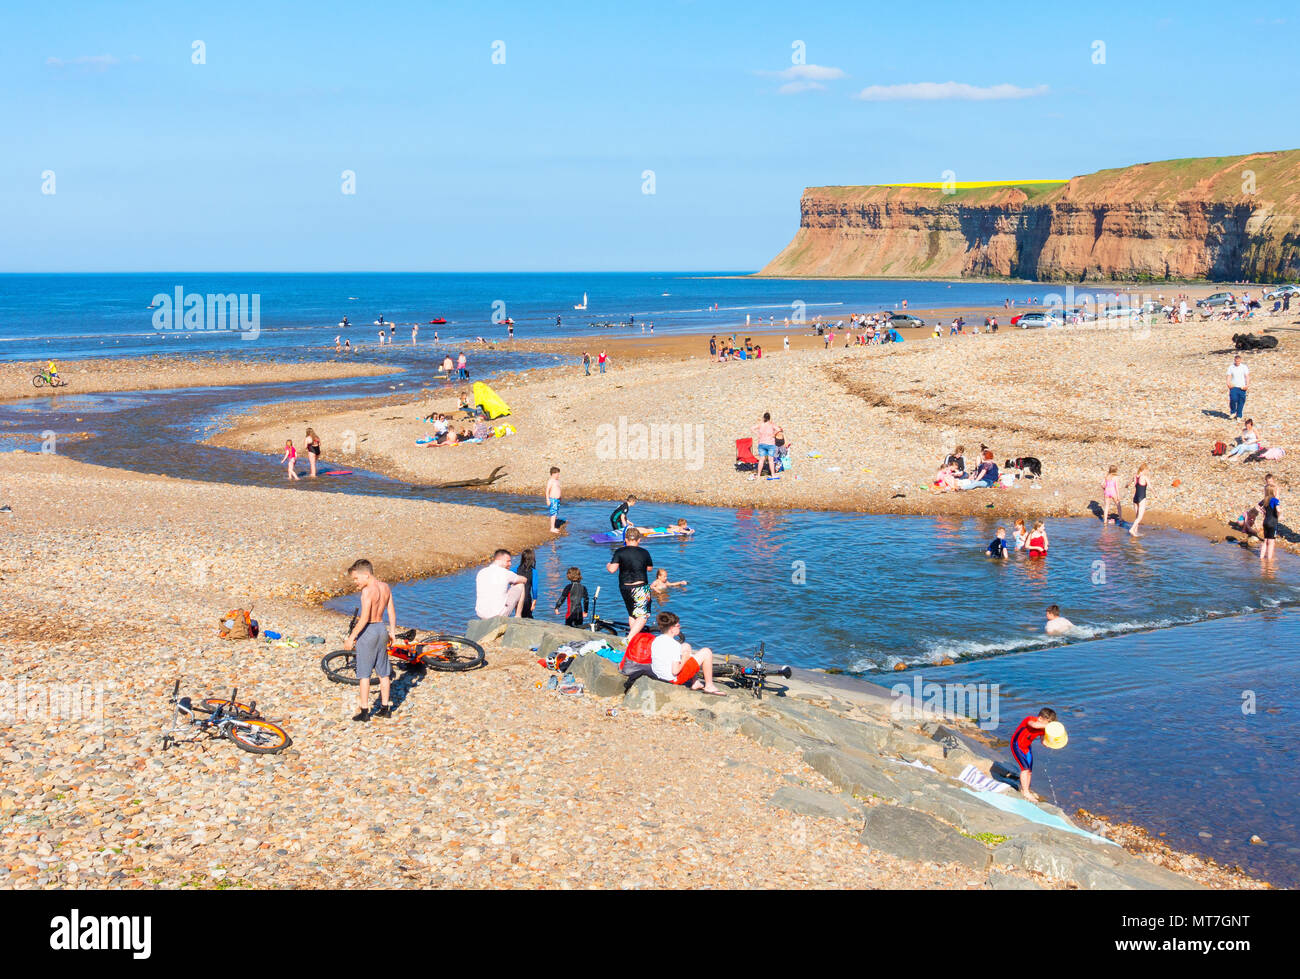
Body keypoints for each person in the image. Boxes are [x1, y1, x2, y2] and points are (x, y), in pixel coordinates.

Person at [343, 559, 396, 721]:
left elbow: (365, 617)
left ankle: (365, 711)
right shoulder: (385, 587)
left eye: (356, 578)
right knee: (383, 672)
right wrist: (392, 632)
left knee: (364, 673)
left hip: (369, 631)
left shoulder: (367, 591)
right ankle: (385, 708)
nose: (355, 582)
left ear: (366, 575)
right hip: (381, 628)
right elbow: (391, 610)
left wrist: (351, 637)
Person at [649, 611, 724, 695]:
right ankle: (709, 686)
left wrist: (685, 655)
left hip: (658, 675)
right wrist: (685, 658)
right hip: (673, 679)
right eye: (678, 625)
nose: (680, 627)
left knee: (685, 646)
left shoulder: (656, 640)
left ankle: (695, 682)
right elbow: (675, 671)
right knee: (706, 652)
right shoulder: (674, 645)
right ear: (672, 629)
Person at [606, 527, 653, 640]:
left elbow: (612, 569)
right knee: (643, 615)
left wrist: (608, 564)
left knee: (633, 614)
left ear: (626, 539)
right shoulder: (644, 552)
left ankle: (634, 640)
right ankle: (630, 638)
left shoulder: (619, 551)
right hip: (640, 587)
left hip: (624, 587)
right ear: (639, 540)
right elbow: (650, 568)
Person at [1010, 708, 1057, 801]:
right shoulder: (1030, 719)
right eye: (1048, 722)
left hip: (1027, 748)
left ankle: (1026, 789)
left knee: (1029, 770)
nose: (1048, 725)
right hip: (1017, 745)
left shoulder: (1043, 729)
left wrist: (1050, 743)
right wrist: (1046, 726)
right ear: (1040, 718)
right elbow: (1034, 725)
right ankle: (1025, 792)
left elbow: (1043, 740)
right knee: (1025, 769)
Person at [474, 549, 527, 619]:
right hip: (498, 614)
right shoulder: (505, 573)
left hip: (480, 613)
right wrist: (513, 582)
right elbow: (524, 580)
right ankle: (518, 616)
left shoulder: (481, 572)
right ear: (499, 560)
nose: (510, 564)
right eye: (508, 561)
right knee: (520, 584)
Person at [753, 412, 783, 480]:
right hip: (770, 443)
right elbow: (779, 429)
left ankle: (758, 475)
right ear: (769, 418)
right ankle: (773, 475)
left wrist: (757, 434)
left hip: (762, 443)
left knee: (761, 459)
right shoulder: (771, 424)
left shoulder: (761, 424)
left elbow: (752, 428)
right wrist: (773, 434)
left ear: (764, 418)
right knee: (770, 460)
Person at [515, 549, 537, 618]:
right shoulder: (533, 572)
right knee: (528, 617)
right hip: (527, 599)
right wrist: (535, 600)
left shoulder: (515, 569)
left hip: (517, 599)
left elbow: (508, 578)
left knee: (519, 616)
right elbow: (535, 588)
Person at [1130, 463, 1150, 537]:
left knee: (1137, 516)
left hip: (1135, 498)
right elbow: (1150, 486)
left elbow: (1129, 483)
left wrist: (1126, 485)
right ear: (1144, 470)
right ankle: (1132, 529)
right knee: (1140, 517)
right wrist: (1155, 494)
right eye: (1147, 470)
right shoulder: (1144, 477)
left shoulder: (1135, 476)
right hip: (1141, 498)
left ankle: (1135, 532)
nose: (1147, 472)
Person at [1227, 354, 1250, 420]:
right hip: (1234, 386)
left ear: (1240, 361)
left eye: (1239, 361)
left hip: (1242, 387)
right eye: (1236, 361)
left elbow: (1247, 376)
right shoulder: (1231, 367)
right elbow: (1229, 376)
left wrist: (1247, 385)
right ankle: (1233, 412)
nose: (1237, 363)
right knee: (1233, 399)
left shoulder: (1244, 367)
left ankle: (1239, 415)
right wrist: (1228, 384)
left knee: (1241, 401)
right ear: (1234, 360)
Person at [1261, 494, 1280, 561]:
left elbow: (1258, 507)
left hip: (1265, 522)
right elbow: (1278, 510)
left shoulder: (1265, 500)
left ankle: (1261, 558)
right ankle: (1269, 559)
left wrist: (1263, 513)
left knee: (1265, 540)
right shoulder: (1275, 500)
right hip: (1273, 523)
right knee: (1271, 542)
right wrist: (1280, 515)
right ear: (1273, 492)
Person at [545, 466, 562, 534]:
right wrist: (547, 500)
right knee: (553, 513)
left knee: (555, 513)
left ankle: (553, 527)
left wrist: (560, 497)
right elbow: (547, 491)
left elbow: (558, 490)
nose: (558, 475)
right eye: (557, 474)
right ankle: (552, 528)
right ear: (553, 474)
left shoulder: (556, 481)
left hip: (557, 499)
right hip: (553, 499)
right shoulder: (551, 481)